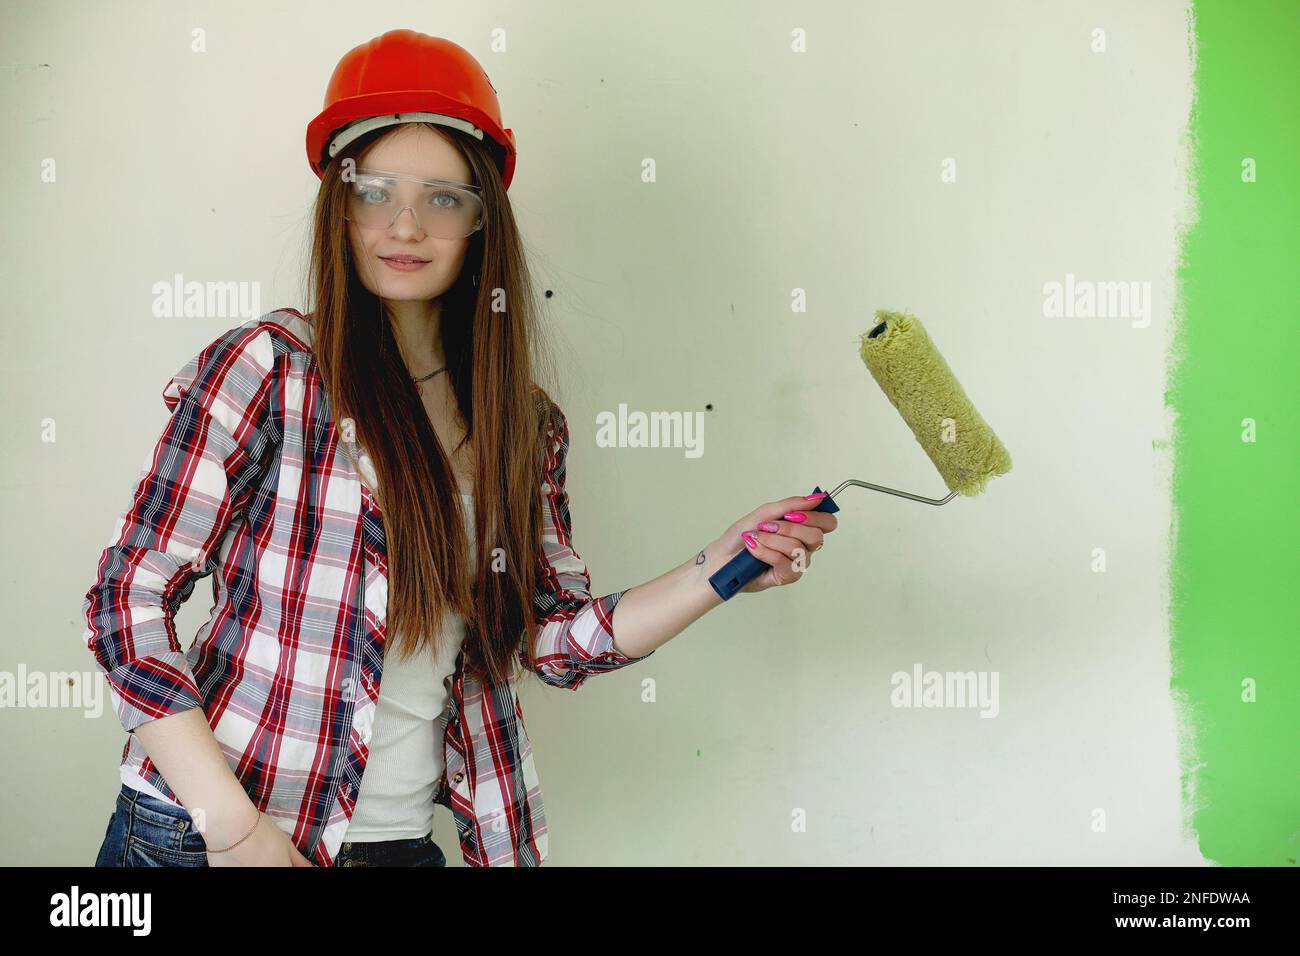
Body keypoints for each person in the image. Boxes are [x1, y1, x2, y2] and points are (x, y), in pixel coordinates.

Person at [83, 29, 838, 868]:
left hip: (398, 847)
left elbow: (551, 640)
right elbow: (128, 596)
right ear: (338, 204)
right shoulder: (269, 371)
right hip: (207, 836)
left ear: (482, 219)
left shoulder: (524, 425)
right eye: (375, 192)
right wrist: (233, 826)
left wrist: (720, 566)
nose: (405, 225)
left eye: (443, 198)